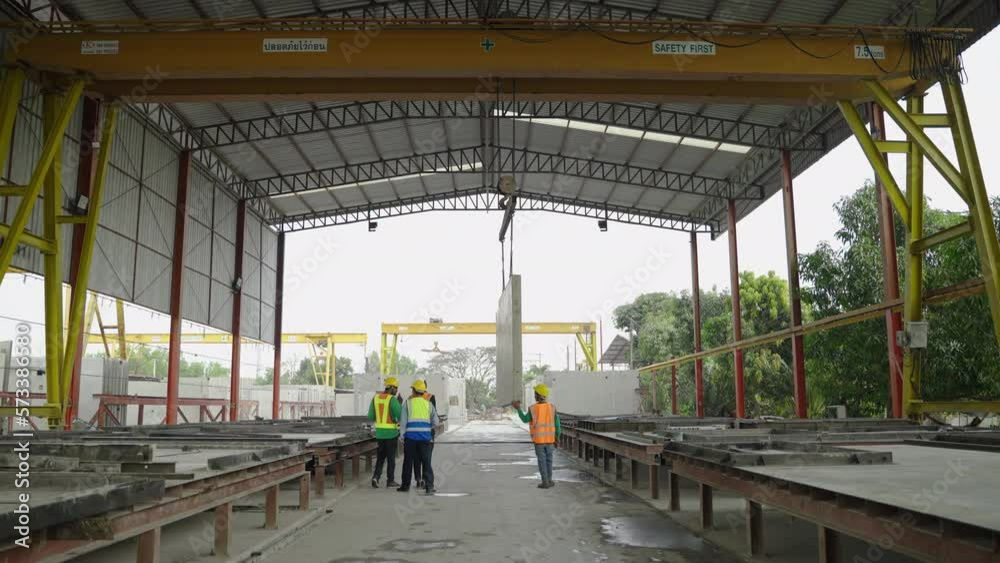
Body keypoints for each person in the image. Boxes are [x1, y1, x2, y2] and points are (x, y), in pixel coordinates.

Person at [512, 384, 561, 489]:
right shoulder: (552, 408)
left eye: (535, 393)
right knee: (549, 460)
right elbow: (557, 425)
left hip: (539, 441)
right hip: (550, 440)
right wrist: (557, 437)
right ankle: (549, 480)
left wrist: (518, 409)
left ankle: (545, 482)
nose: (534, 395)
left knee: (542, 461)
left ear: (539, 395)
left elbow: (525, 419)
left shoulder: (533, 408)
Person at [398, 379, 439, 495]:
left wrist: (401, 436)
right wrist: (427, 426)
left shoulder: (408, 403)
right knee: (426, 462)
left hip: (410, 438)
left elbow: (403, 422)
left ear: (414, 390)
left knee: (408, 462)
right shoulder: (428, 404)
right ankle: (429, 487)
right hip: (425, 438)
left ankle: (405, 486)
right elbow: (436, 422)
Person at [368, 377, 403, 488]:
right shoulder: (392, 400)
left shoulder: (375, 398)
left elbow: (370, 416)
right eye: (396, 388)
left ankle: (376, 477)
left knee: (380, 458)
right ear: (391, 388)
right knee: (391, 458)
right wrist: (399, 403)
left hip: (379, 434)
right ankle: (390, 480)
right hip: (391, 434)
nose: (397, 390)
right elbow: (399, 416)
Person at [413, 384, 437, 488]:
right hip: (427, 433)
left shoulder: (410, 400)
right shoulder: (430, 398)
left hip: (413, 433)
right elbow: (435, 419)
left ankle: (418, 479)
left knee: (416, 457)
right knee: (426, 458)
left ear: (414, 389)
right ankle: (426, 481)